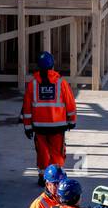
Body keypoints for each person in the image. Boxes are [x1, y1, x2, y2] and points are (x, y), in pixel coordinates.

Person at [21, 51, 77, 186]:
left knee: (42, 152)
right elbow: (70, 104)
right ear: (53, 65)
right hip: (58, 126)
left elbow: (27, 108)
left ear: (38, 67)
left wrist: (27, 127)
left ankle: (42, 177)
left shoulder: (33, 84)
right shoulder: (61, 83)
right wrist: (72, 121)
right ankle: (56, 178)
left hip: (39, 127)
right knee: (57, 152)